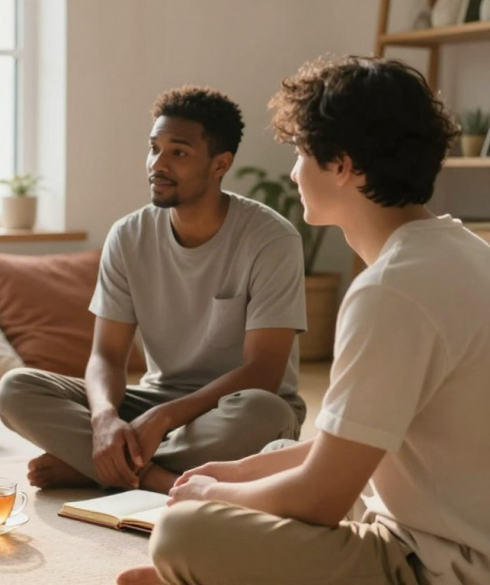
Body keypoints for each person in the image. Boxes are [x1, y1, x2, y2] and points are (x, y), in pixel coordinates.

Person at [119, 56, 489, 585]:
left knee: (183, 531)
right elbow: (366, 439)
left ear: (341, 164)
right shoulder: (463, 253)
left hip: (440, 562)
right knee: (274, 455)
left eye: (299, 153)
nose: (293, 172)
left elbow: (320, 499)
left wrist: (210, 492)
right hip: (439, 519)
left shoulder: (392, 290)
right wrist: (238, 472)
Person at [0, 86, 307, 493]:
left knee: (263, 413)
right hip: (155, 401)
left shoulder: (271, 239)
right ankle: (152, 474)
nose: (157, 164)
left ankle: (100, 466)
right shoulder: (128, 235)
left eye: (178, 153)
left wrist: (162, 421)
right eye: (153, 149)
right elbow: (107, 355)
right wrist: (105, 418)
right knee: (16, 389)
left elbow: (262, 372)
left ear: (220, 164)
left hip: (235, 409)